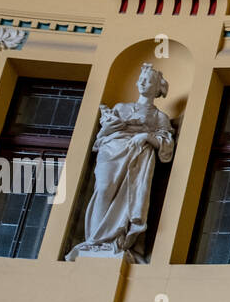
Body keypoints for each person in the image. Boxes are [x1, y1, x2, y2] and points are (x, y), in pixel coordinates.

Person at [66, 63, 174, 262]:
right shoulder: (121, 107)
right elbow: (103, 134)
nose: (142, 83)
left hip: (136, 156)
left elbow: (166, 144)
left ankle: (114, 239)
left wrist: (146, 137)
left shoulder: (160, 117)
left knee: (128, 196)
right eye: (140, 79)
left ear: (157, 87)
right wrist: (110, 124)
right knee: (104, 188)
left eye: (148, 80)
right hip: (111, 151)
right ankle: (95, 240)